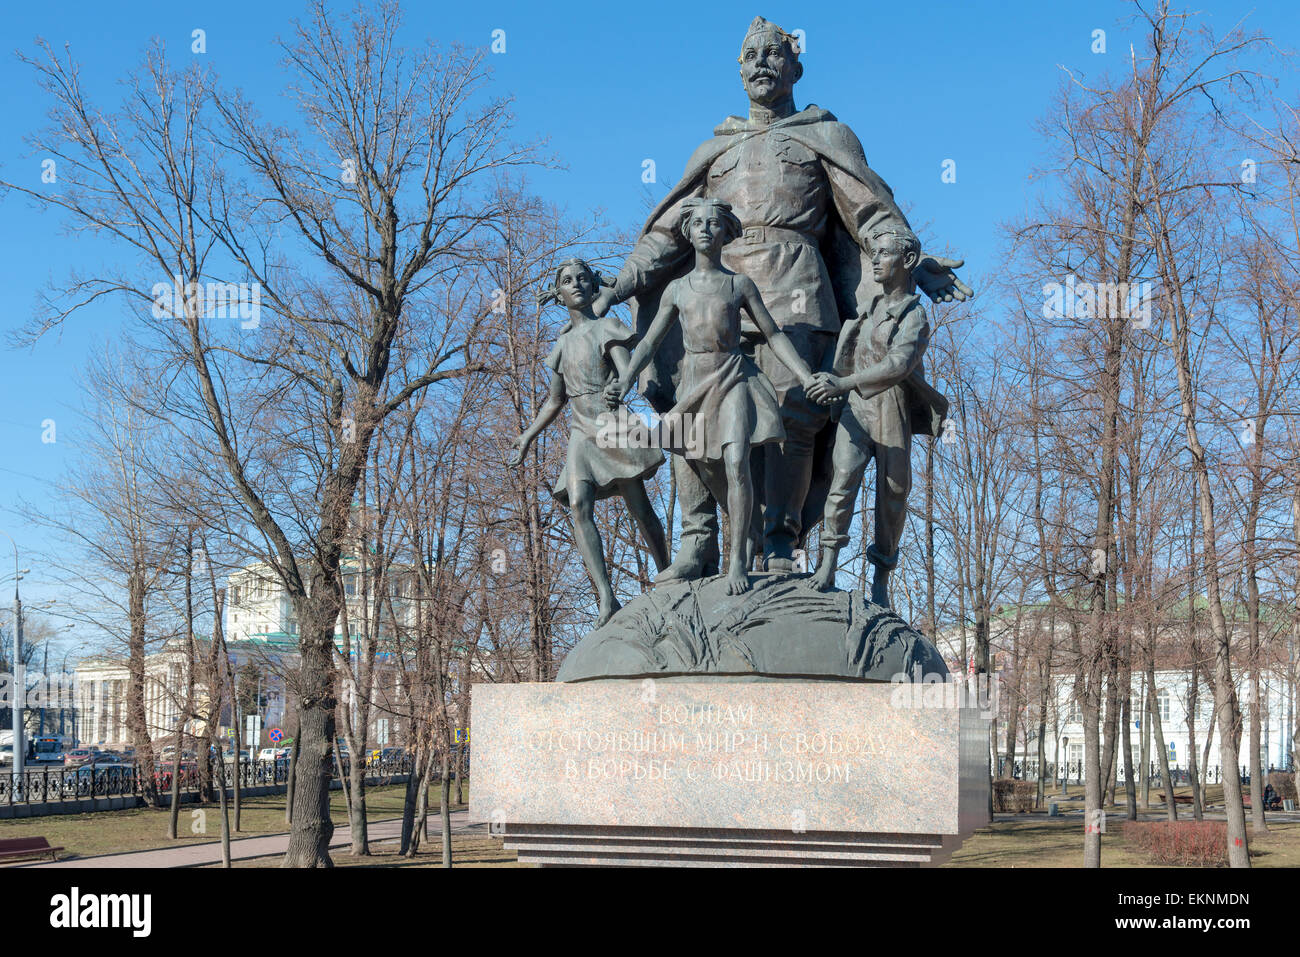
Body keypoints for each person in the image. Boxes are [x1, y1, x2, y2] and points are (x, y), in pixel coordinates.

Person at [591, 17, 968, 579]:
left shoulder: (824, 136)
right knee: (692, 419)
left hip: (799, 297)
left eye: (774, 54)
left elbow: (869, 214)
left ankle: (778, 544)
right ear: (739, 70)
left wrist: (915, 260)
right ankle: (699, 544)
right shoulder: (714, 150)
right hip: (716, 303)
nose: (762, 62)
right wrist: (618, 286)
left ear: (796, 67)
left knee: (794, 418)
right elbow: (666, 235)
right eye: (751, 55)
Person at [611, 198, 818, 595]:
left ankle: (738, 559)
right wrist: (625, 380)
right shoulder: (677, 289)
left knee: (736, 460)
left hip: (734, 374)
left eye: (714, 223)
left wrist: (804, 375)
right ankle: (712, 538)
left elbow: (773, 334)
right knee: (695, 462)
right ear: (688, 233)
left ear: (726, 232)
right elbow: (650, 342)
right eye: (699, 223)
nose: (706, 228)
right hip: (694, 380)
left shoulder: (740, 284)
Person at [509, 258, 669, 625]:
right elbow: (554, 400)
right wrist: (527, 436)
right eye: (567, 280)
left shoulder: (607, 327)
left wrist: (621, 382)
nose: (576, 284)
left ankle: (666, 571)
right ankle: (606, 597)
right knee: (579, 504)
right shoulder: (563, 345)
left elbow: (628, 366)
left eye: (583, 278)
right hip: (581, 430)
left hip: (612, 423)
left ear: (594, 285)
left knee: (639, 507)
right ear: (559, 293)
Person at [808, 226, 947, 607]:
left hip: (893, 408)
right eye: (875, 254)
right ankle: (828, 565)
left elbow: (899, 364)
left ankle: (881, 577)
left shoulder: (914, 315)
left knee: (894, 493)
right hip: (857, 407)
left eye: (884, 254)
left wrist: (847, 382)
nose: (875, 260)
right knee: (843, 479)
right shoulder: (868, 307)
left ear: (906, 261)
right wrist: (836, 383)